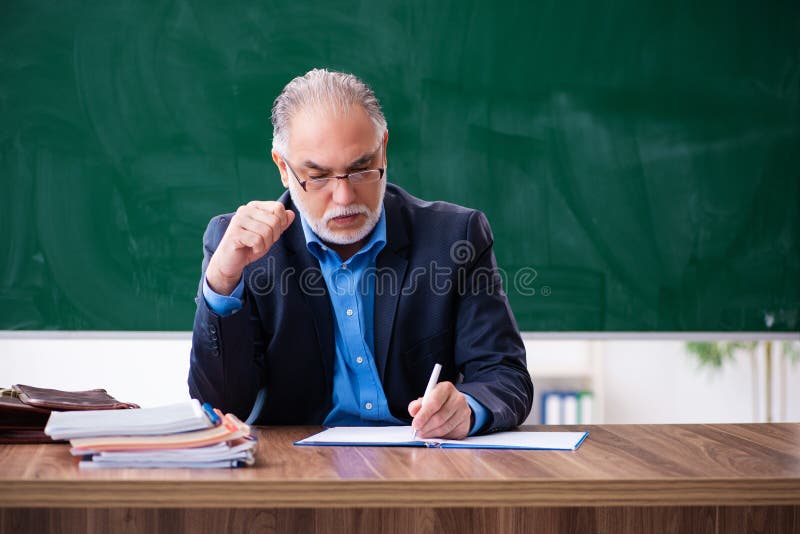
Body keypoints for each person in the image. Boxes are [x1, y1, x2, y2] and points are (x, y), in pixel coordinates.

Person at [189, 69, 532, 439]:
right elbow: (220, 407)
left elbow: (505, 376)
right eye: (317, 176)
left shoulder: (454, 238)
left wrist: (467, 407)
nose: (344, 198)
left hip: (423, 466)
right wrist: (222, 282)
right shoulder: (242, 247)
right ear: (283, 169)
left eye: (361, 169)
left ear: (383, 147)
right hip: (294, 467)